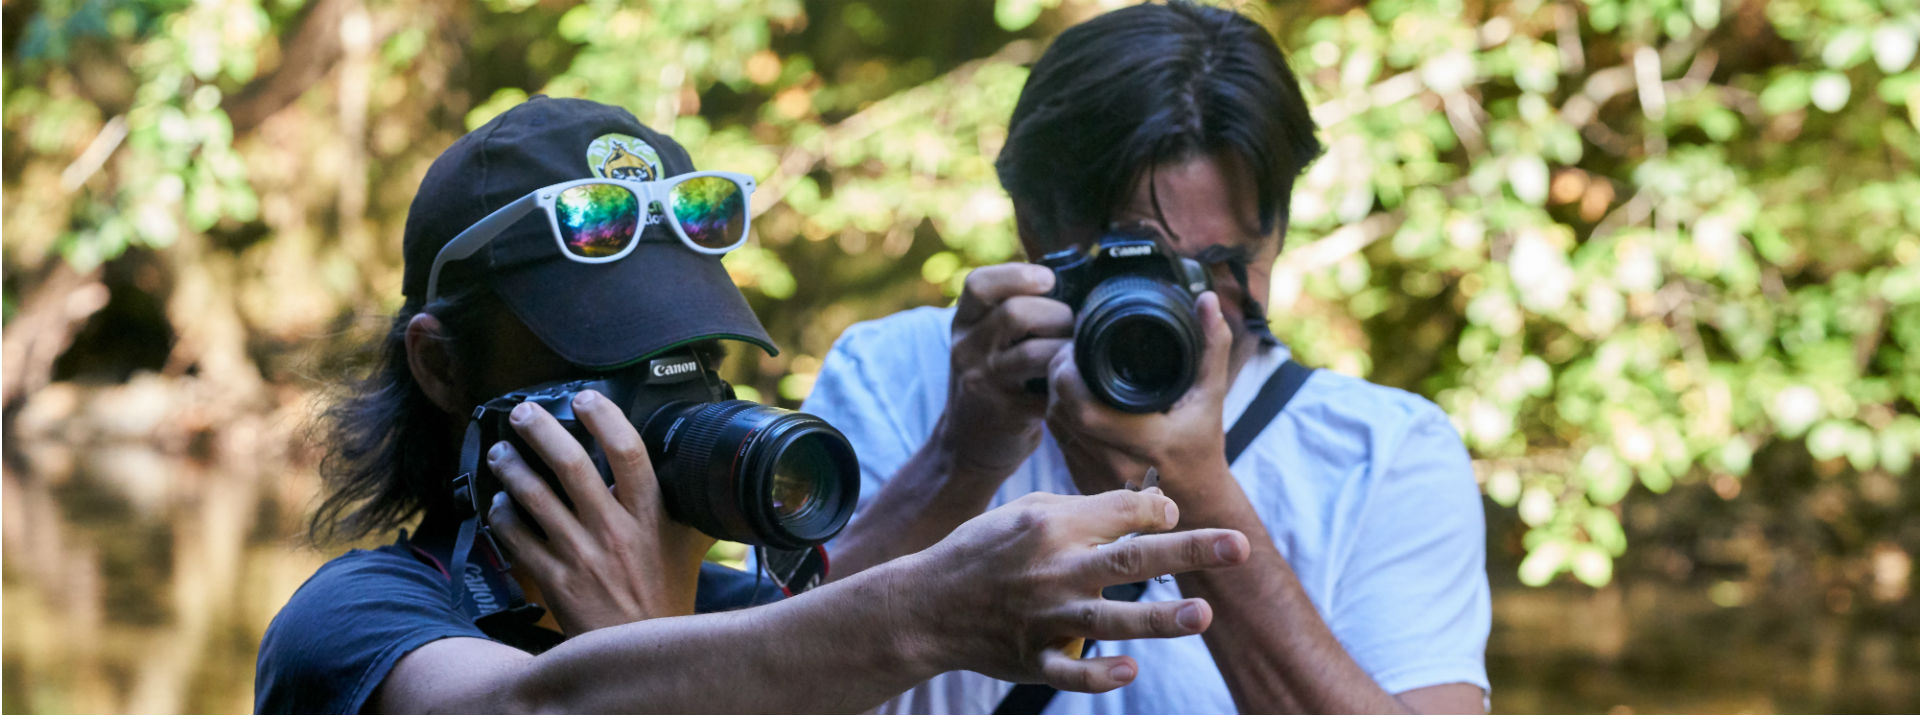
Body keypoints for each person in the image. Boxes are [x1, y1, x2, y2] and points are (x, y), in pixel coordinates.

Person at [254, 96, 1256, 715]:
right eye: (612, 364)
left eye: (692, 352)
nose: (675, 401)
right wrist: (931, 611)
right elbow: (533, 706)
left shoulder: (750, 620)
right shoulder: (367, 618)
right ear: (441, 369)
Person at [808, 3, 1491, 714]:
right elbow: (765, 675)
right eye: (1141, 267)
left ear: (1278, 234)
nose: (1181, 305)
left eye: (1219, 264)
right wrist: (960, 457)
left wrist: (1198, 491)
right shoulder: (894, 371)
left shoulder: (1384, 454)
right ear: (1033, 230)